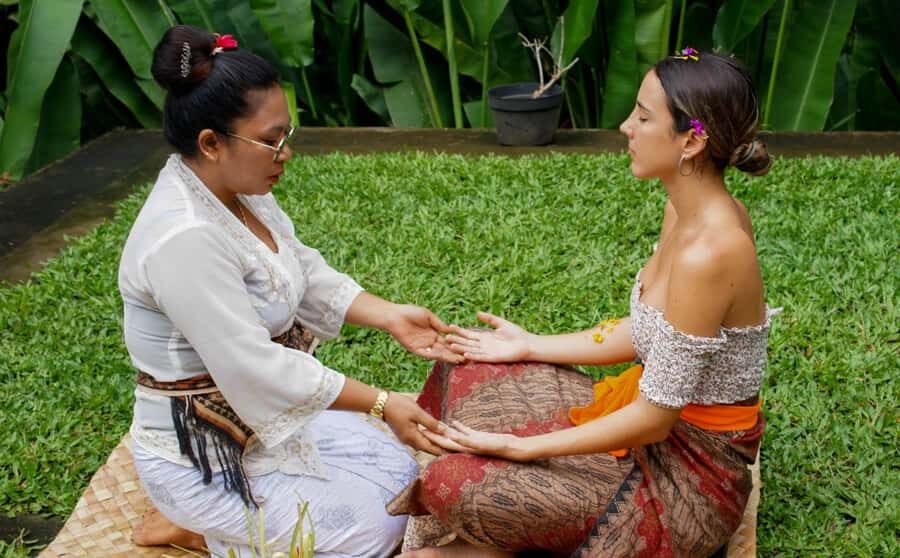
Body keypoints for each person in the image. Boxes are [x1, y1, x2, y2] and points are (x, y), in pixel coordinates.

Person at [389, 49, 778, 557]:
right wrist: (529, 345)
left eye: (643, 117)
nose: (625, 127)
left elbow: (656, 418)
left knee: (454, 482)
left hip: (685, 480)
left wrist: (521, 448)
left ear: (692, 140)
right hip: (648, 421)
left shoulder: (713, 252)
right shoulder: (682, 212)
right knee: (472, 362)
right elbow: (648, 331)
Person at [119, 25, 460, 557]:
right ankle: (201, 530)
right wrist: (381, 401)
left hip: (256, 428)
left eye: (287, 134)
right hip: (206, 458)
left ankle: (224, 530)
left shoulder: (236, 191)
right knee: (376, 534)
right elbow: (254, 366)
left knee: (396, 471)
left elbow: (301, 271)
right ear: (211, 143)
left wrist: (390, 315)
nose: (286, 153)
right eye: (271, 140)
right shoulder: (183, 238)